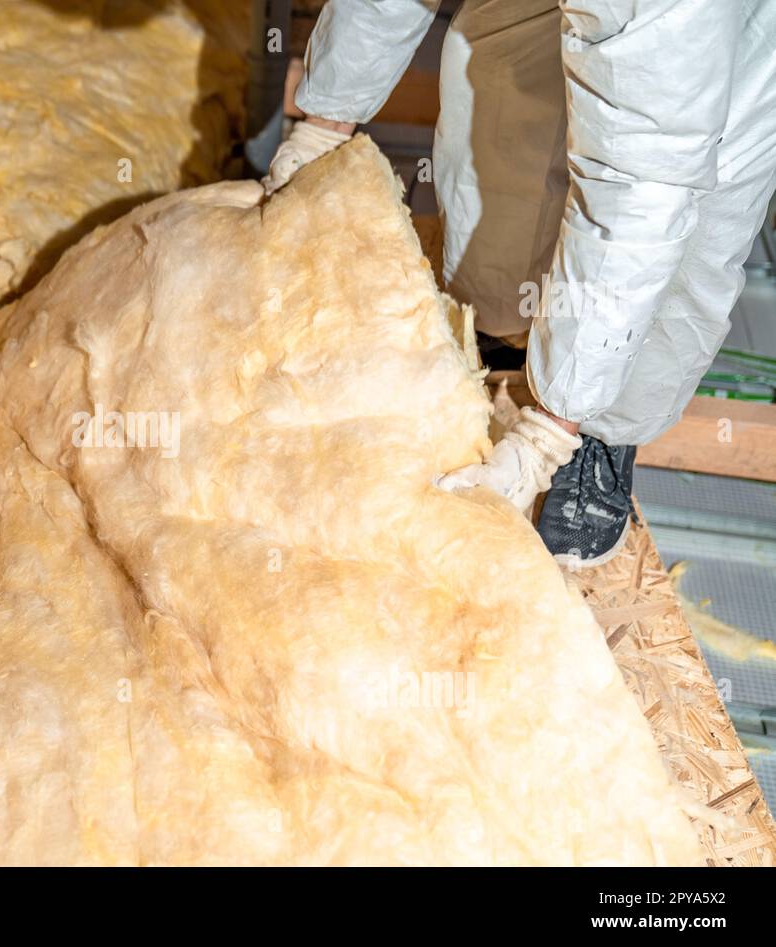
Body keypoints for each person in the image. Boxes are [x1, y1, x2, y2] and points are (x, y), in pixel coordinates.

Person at [264, 0, 776, 568]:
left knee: (695, 216)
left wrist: (548, 437)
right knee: (505, 118)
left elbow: (640, 195)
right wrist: (329, 118)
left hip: (701, 35)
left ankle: (600, 430)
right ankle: (510, 330)